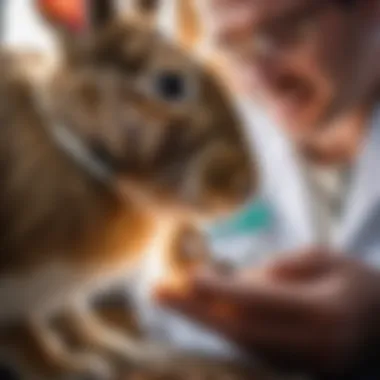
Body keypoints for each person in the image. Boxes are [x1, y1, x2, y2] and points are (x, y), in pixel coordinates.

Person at [138, 0, 380, 378]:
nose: (260, 79)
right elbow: (151, 313)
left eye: (286, 30)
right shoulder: (208, 144)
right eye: (231, 44)